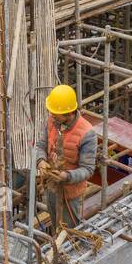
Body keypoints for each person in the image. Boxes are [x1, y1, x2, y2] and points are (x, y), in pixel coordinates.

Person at [34, 84, 96, 231]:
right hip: (51, 186)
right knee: (55, 224)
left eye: (56, 113)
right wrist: (41, 161)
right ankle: (56, 248)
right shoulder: (52, 121)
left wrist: (66, 176)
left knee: (70, 231)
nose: (52, 115)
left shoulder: (87, 133)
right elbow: (41, 145)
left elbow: (88, 169)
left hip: (71, 193)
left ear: (69, 113)